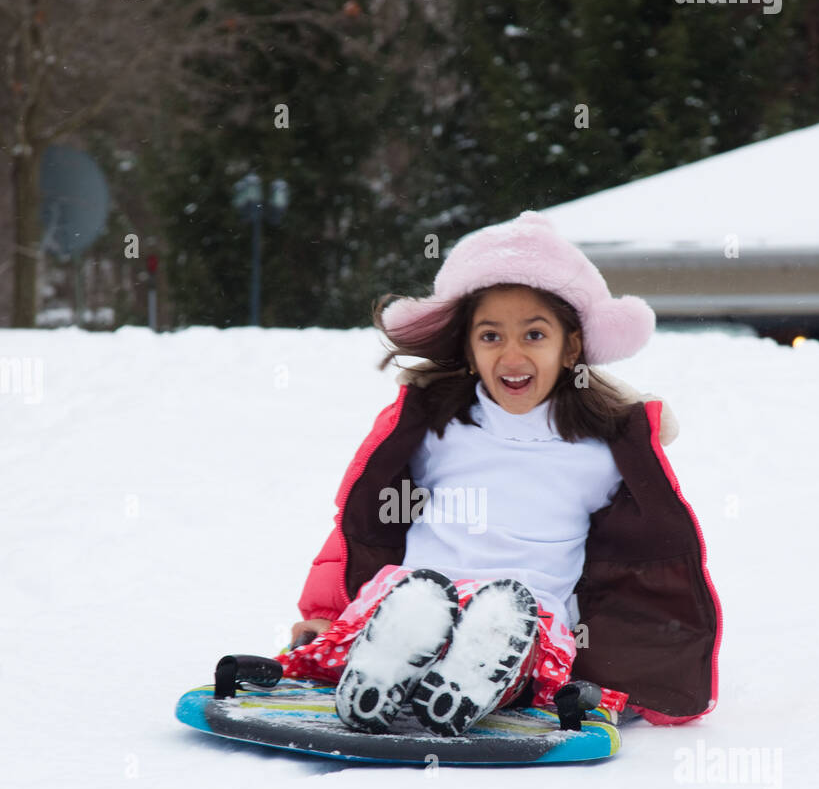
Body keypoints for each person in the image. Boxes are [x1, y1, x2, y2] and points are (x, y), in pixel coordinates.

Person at [278, 211, 722, 734]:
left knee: (510, 628)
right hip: (416, 595)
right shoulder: (436, 430)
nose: (512, 355)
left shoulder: (600, 451)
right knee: (413, 604)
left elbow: (635, 554)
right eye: (491, 336)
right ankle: (384, 666)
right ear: (468, 348)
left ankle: (467, 679)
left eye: (534, 334)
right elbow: (361, 523)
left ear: (570, 346)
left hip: (522, 614)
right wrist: (326, 613)